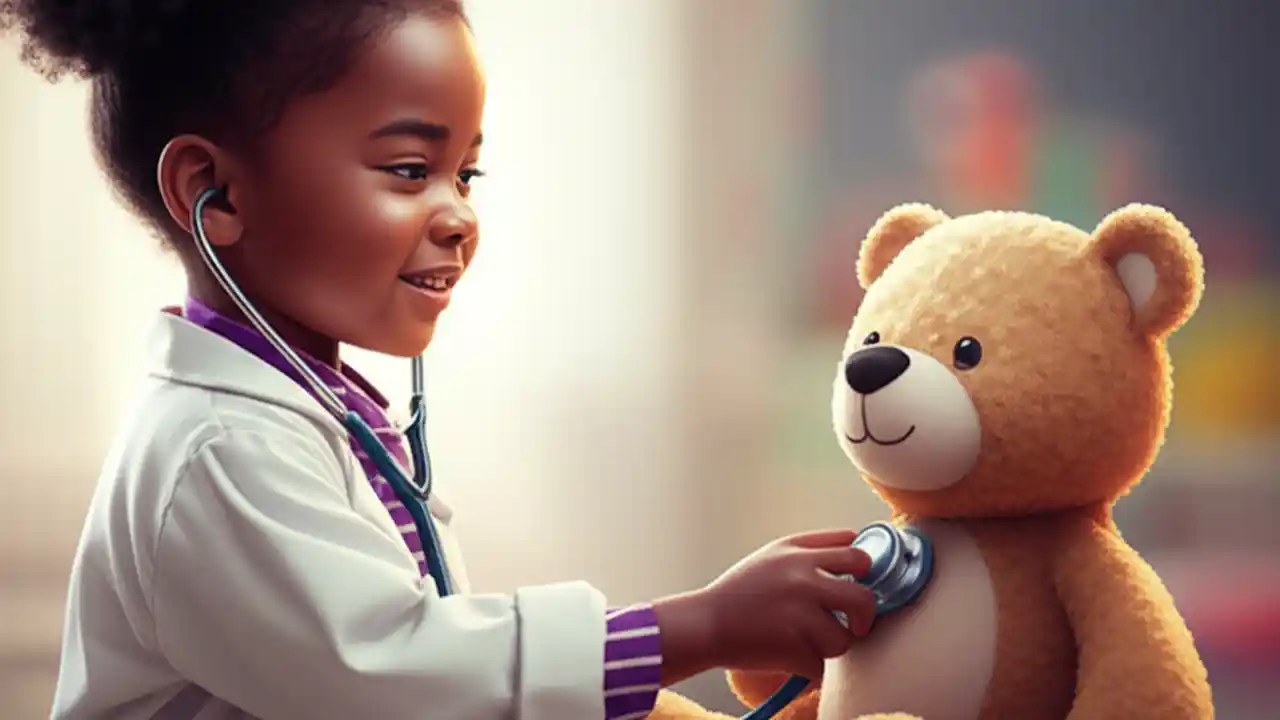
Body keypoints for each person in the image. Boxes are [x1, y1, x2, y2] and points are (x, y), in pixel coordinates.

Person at [1, 2, 879, 718]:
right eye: (411, 168)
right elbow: (394, 674)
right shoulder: (219, 450)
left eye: (467, 175)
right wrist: (699, 627)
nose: (458, 215)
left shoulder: (307, 409)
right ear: (214, 193)